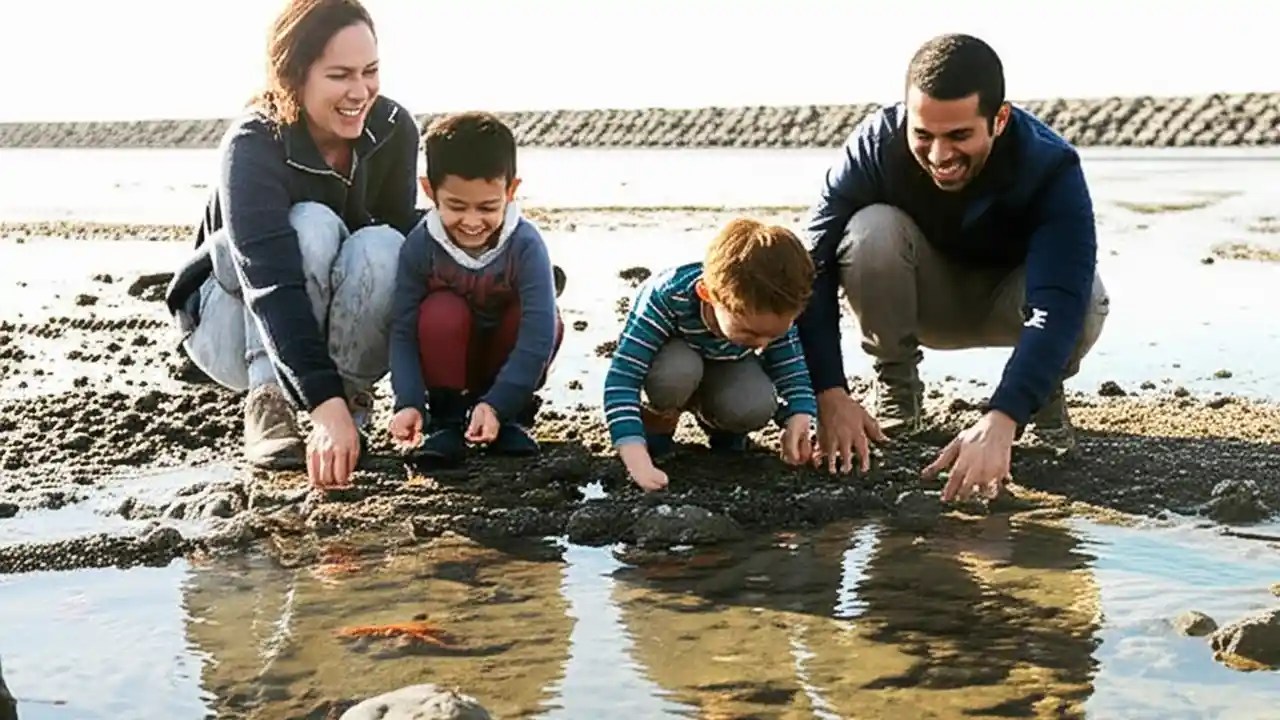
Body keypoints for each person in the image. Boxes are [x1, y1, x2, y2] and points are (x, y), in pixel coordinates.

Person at [796, 33, 1110, 502]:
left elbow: (1058, 305)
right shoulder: (872, 147)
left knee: (1084, 297)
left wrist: (1003, 416)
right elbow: (811, 269)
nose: (940, 156)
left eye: (959, 135)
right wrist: (829, 392)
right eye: (923, 135)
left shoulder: (1050, 166)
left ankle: (1040, 402)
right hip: (921, 301)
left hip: (1014, 304)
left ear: (999, 119)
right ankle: (898, 391)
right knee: (869, 231)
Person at [164, 0, 420, 489]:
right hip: (231, 323)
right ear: (294, 74)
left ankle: (350, 405)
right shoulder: (255, 140)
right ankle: (270, 406)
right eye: (340, 75)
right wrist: (319, 405)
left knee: (387, 244)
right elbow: (271, 281)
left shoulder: (392, 130)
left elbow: (397, 250)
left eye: (370, 72)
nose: (360, 91)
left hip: (324, 320)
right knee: (312, 224)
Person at [387, 112, 564, 467]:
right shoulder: (420, 247)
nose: (471, 221)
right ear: (429, 191)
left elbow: (538, 333)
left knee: (548, 320)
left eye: (487, 207)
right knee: (440, 311)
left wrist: (499, 402)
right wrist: (408, 401)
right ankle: (447, 420)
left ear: (511, 191)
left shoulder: (526, 244)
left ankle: (507, 416)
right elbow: (403, 330)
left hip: (505, 363)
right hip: (448, 362)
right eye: (455, 206)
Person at [602, 218, 819, 492]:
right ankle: (659, 422)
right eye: (750, 333)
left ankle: (723, 428)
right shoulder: (667, 298)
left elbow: (793, 374)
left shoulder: (771, 308)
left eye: (773, 335)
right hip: (673, 363)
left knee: (756, 405)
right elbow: (622, 380)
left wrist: (799, 418)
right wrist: (634, 456)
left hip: (725, 364)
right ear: (707, 295)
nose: (762, 344)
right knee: (677, 372)